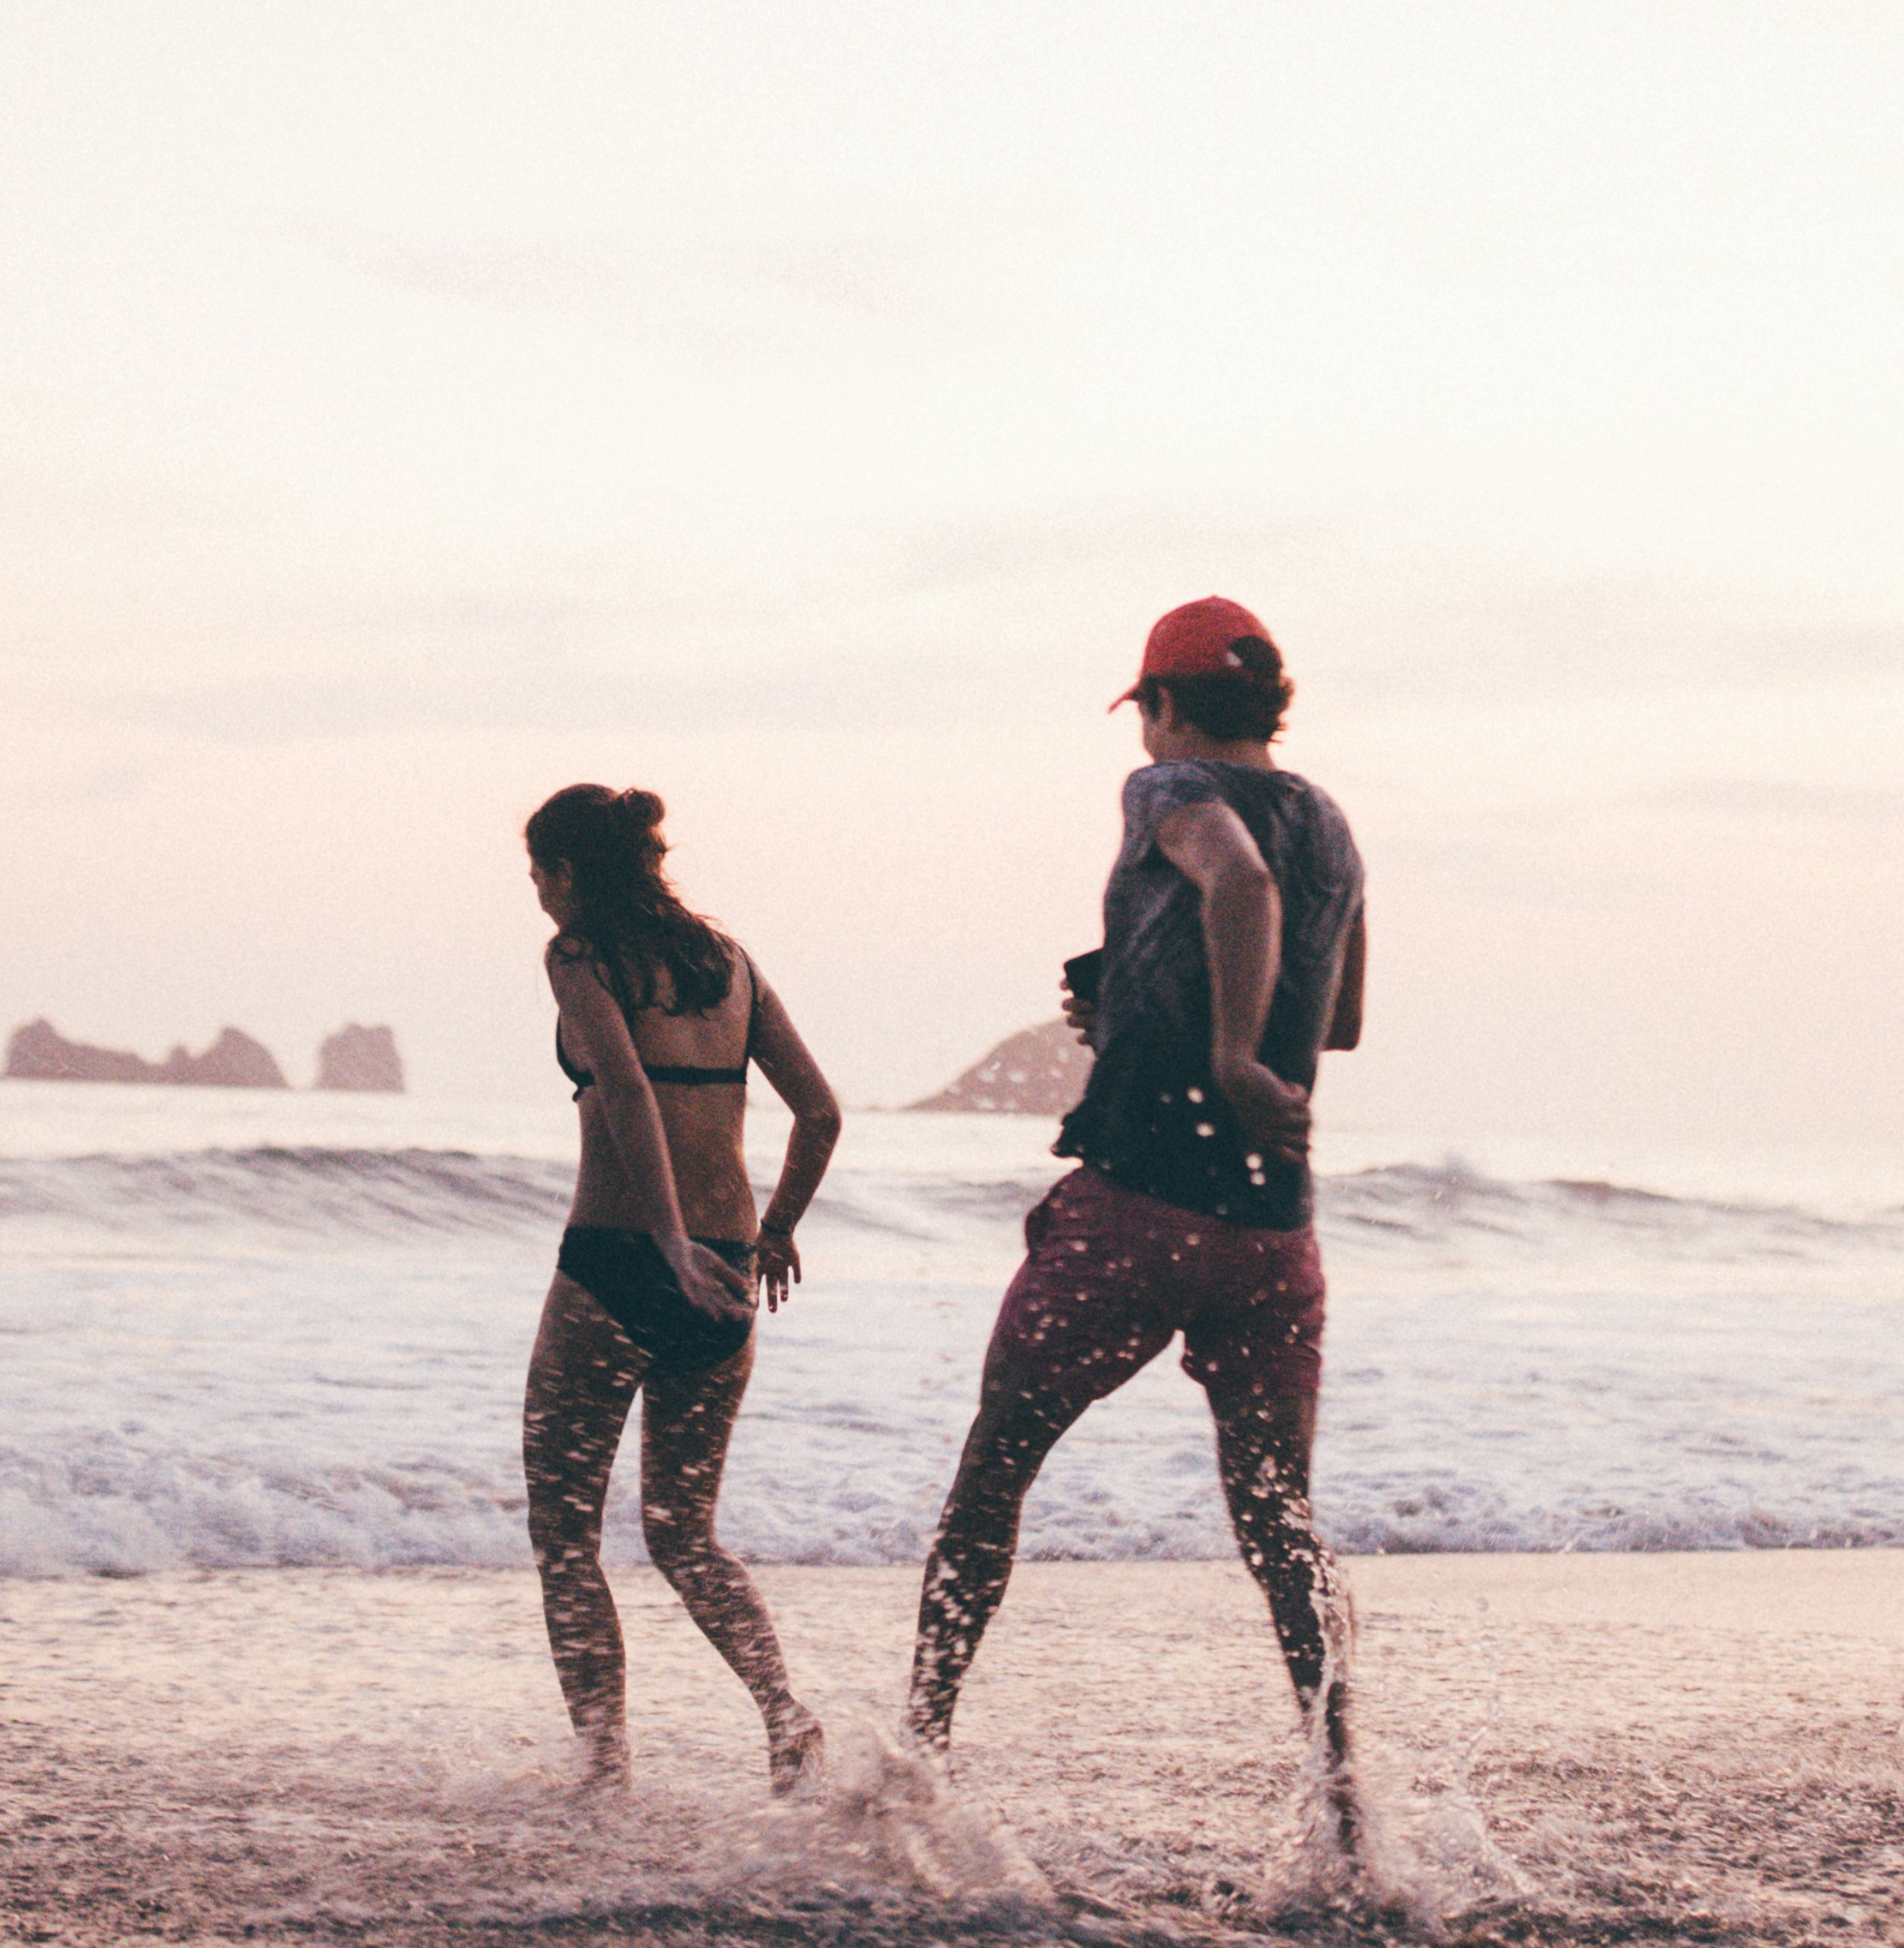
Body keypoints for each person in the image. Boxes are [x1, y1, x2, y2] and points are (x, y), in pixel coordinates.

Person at [903, 597, 1370, 1830]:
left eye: (1146, 714)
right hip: (1276, 1233)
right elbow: (1336, 1020)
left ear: (1163, 706)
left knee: (992, 1477)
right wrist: (1145, 1012)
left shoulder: (1166, 793)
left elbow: (1239, 877)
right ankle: (1343, 1791)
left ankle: (919, 1762)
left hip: (1141, 1208)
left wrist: (1217, 1052)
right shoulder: (1338, 827)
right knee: (1280, 1522)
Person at [522, 782, 845, 1788]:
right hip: (727, 1278)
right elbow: (822, 1113)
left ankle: (604, 1761)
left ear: (568, 871)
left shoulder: (579, 954)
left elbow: (622, 1087)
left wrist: (661, 1237)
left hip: (621, 1264)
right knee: (684, 1532)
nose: (534, 890)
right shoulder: (730, 964)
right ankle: (785, 1716)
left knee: (564, 1528)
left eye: (536, 871)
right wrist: (776, 1228)